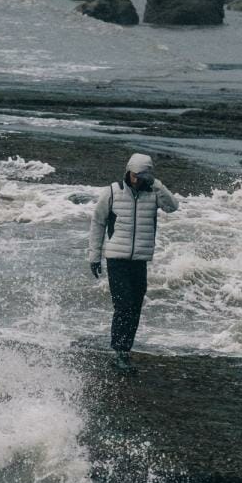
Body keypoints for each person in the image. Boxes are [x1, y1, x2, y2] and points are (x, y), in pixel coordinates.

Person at [87, 152, 179, 372]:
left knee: (135, 307)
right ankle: (119, 352)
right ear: (128, 171)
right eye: (135, 174)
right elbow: (98, 223)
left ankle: (125, 351)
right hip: (116, 259)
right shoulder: (112, 191)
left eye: (143, 175)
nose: (138, 179)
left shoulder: (153, 193)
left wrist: (156, 184)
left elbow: (173, 206)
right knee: (124, 306)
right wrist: (94, 256)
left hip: (140, 260)